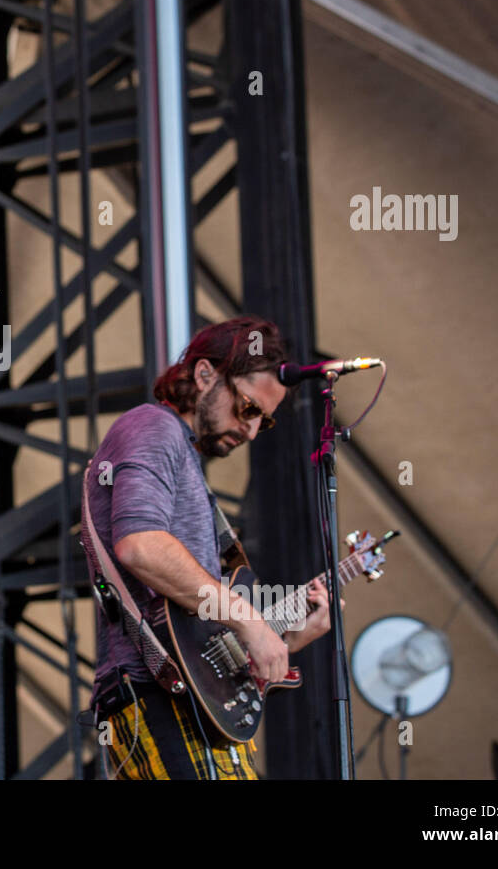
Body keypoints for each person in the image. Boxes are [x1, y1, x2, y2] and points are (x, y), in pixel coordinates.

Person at [84, 316, 337, 779]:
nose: (253, 431)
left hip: (191, 705)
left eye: (263, 417)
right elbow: (140, 545)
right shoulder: (152, 427)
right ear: (204, 376)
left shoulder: (184, 457)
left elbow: (199, 636)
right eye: (247, 408)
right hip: (156, 698)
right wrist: (249, 620)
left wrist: (285, 639)